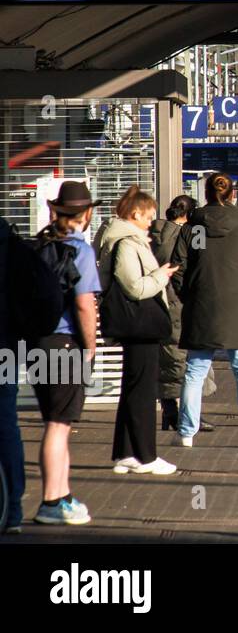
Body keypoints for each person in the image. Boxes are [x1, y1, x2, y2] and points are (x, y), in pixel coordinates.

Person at [174, 172, 238, 449]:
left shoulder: (196, 225)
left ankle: (186, 431)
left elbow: (180, 264)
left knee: (195, 370)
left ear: (205, 193)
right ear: (233, 194)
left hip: (202, 306)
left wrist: (189, 293)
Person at [28, 181, 102, 525]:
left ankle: (63, 493)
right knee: (59, 426)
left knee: (57, 423)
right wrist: (90, 347)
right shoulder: (80, 252)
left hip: (38, 343)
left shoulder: (41, 245)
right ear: (85, 214)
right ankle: (51, 501)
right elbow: (85, 305)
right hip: (66, 344)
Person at [98, 187, 179, 476]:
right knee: (143, 391)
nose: (151, 222)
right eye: (148, 216)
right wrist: (161, 275)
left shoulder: (122, 239)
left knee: (134, 388)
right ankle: (146, 455)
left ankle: (126, 452)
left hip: (134, 326)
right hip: (140, 325)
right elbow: (135, 287)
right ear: (135, 214)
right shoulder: (127, 243)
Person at [0, 216, 62, 534]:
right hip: (6, 348)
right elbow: (47, 295)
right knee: (6, 426)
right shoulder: (12, 245)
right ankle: (11, 511)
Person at [150, 195, 214, 433]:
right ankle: (189, 414)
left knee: (166, 357)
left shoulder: (153, 234)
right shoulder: (188, 235)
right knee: (189, 359)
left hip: (156, 299)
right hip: (180, 300)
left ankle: (169, 411)